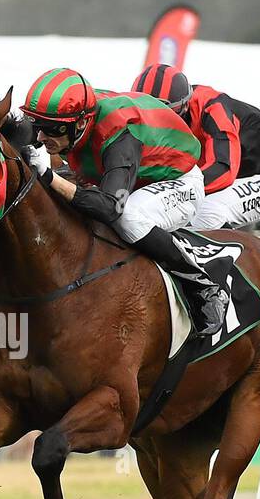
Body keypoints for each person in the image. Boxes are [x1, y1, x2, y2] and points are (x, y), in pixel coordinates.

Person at [19, 67, 226, 336]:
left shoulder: (118, 133)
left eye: (49, 129)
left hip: (179, 180)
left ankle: (203, 287)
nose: (39, 137)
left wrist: (48, 176)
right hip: (133, 175)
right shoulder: (69, 121)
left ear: (81, 123)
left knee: (128, 217)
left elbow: (110, 207)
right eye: (36, 125)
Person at [130, 65, 260, 229]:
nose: (154, 123)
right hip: (214, 175)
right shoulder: (151, 112)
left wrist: (173, 191)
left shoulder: (213, 109)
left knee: (206, 212)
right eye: (147, 112)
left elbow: (223, 169)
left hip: (256, 177)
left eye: (164, 114)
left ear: (185, 105)